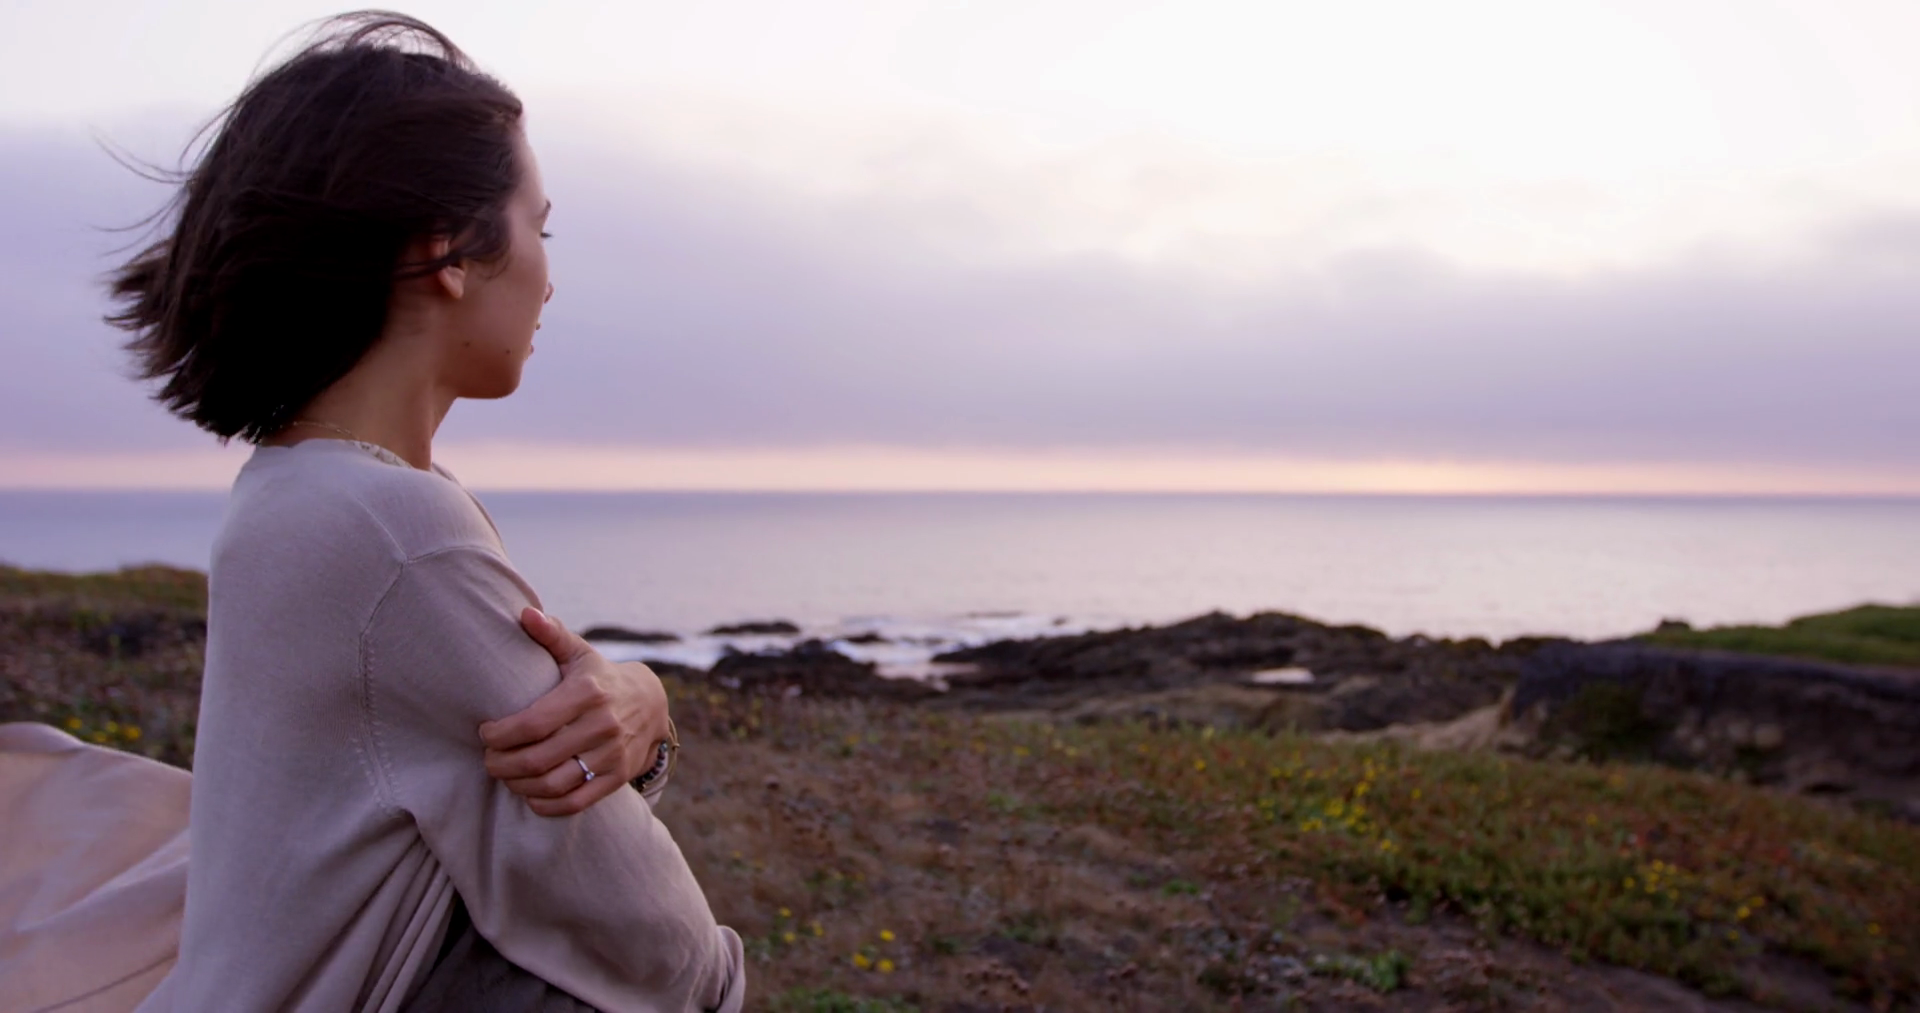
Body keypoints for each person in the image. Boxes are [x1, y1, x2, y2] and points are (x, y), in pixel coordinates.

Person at [104, 12, 745, 1011]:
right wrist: (726, 977)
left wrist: (640, 706)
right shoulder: (394, 529)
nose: (549, 272)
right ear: (448, 251)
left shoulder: (299, 487)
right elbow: (649, 930)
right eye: (540, 226)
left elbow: (520, 787)